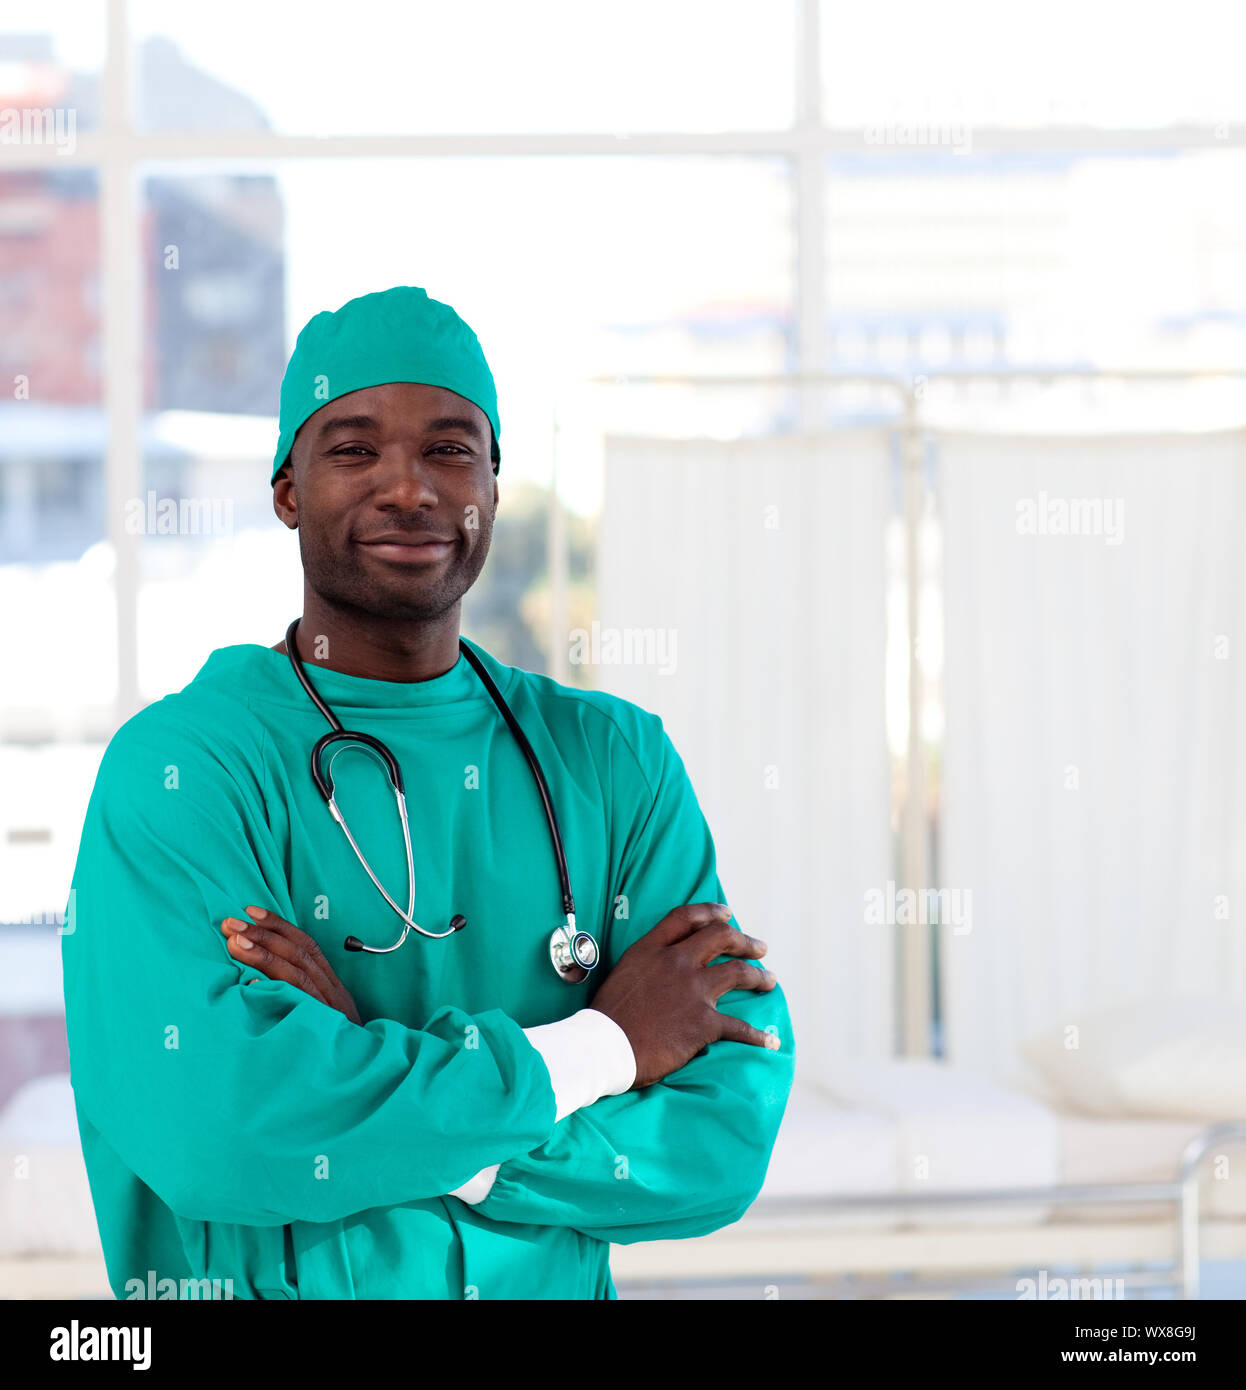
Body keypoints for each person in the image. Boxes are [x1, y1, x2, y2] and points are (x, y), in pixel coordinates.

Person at [62, 285, 795, 1301]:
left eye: (450, 449)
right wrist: (607, 1046)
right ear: (286, 490)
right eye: (354, 449)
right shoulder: (187, 769)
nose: (407, 488)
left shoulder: (613, 760)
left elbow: (722, 1132)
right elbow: (219, 1129)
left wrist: (365, 1069)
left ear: (493, 483)